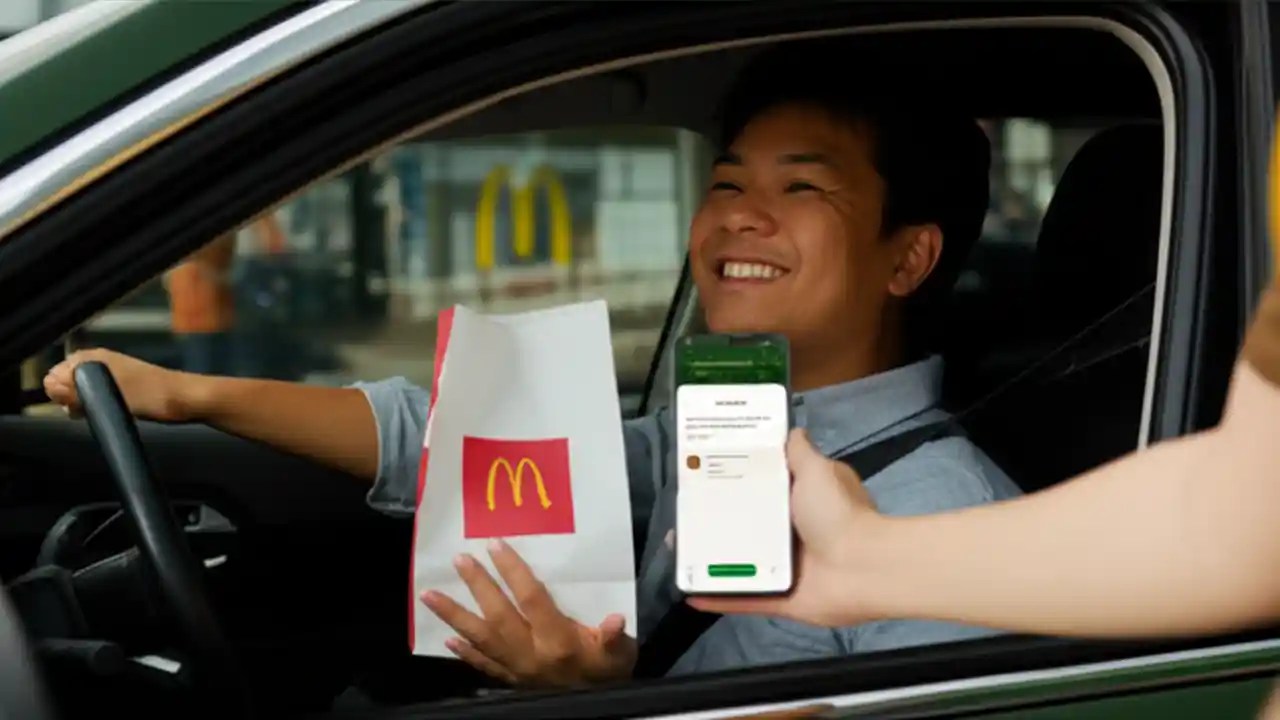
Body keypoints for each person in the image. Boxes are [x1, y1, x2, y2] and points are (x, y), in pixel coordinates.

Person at [42, 46, 1018, 687]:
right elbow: (458, 442)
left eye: (798, 187)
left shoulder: (947, 523)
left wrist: (600, 703)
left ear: (907, 256)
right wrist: (191, 394)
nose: (734, 217)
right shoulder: (724, 423)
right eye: (725, 182)